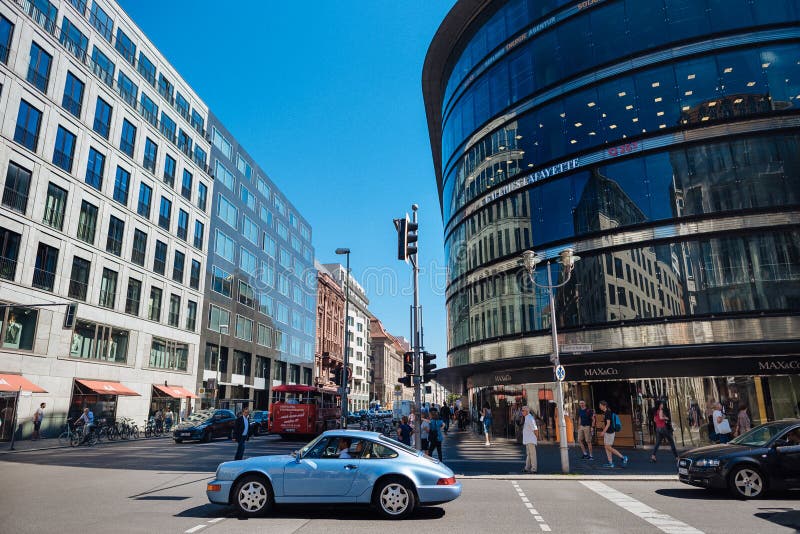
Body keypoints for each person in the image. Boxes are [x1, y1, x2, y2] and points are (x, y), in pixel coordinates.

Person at [598, 401, 627, 468]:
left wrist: (603, 432)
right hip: (609, 432)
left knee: (608, 447)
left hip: (609, 432)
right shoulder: (607, 412)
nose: (600, 407)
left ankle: (623, 457)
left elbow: (608, 424)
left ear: (604, 405)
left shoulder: (607, 413)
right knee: (607, 447)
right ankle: (610, 463)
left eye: (600, 405)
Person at [521, 405, 538, 473]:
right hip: (528, 439)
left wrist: (536, 438)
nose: (522, 412)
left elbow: (535, 429)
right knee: (529, 454)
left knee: (532, 455)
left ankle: (534, 469)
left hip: (531, 439)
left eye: (523, 410)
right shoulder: (527, 417)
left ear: (527, 411)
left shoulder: (530, 418)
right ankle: (527, 468)